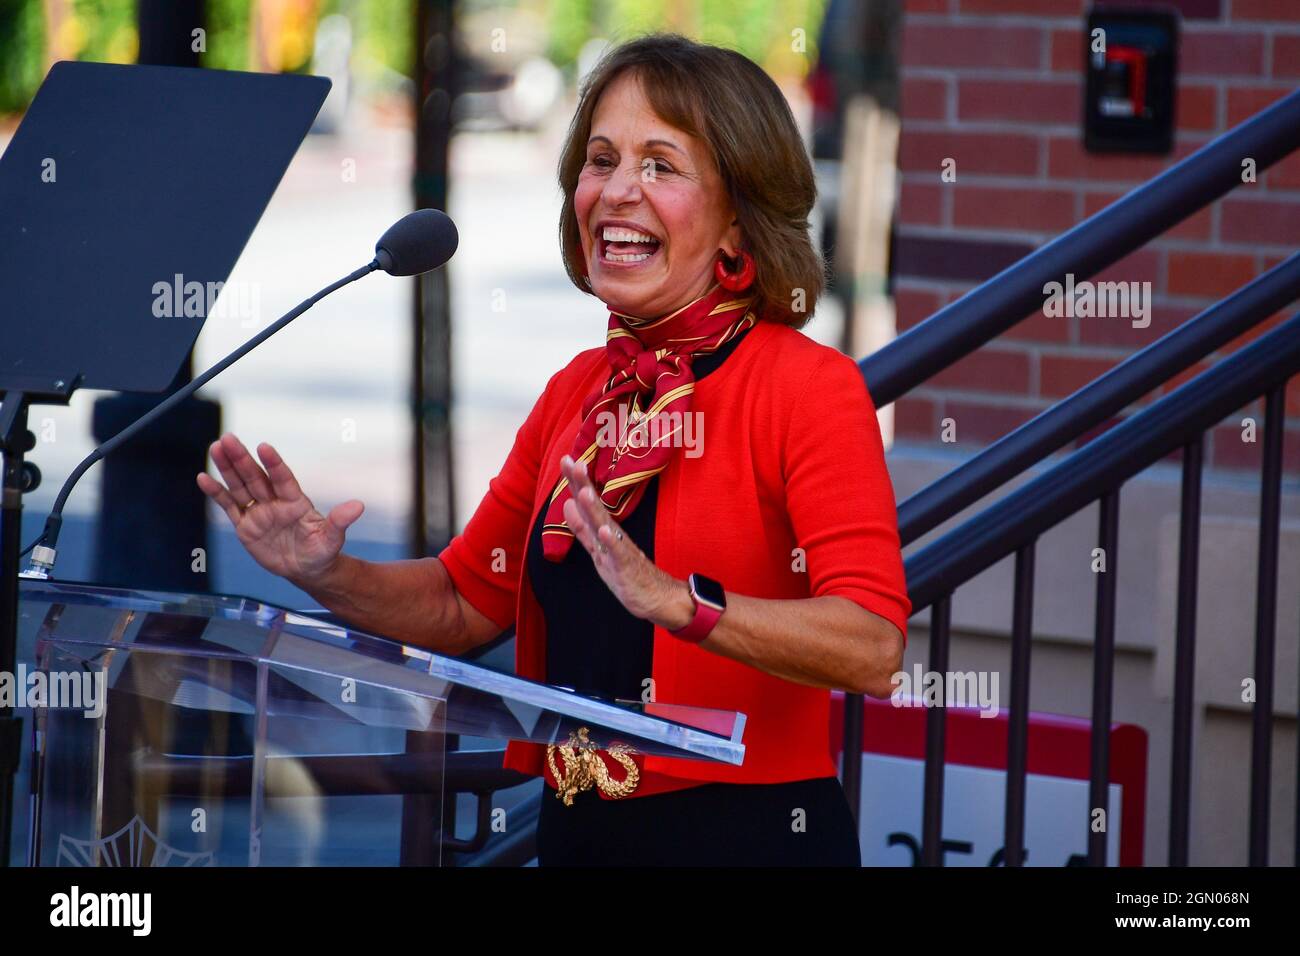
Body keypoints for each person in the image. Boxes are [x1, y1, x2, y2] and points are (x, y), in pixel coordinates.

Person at [197, 32, 910, 867]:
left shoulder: (804, 387)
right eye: (601, 160)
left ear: (736, 222)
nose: (616, 191)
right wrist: (320, 569)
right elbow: (463, 604)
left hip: (748, 837)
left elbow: (872, 645)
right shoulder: (579, 390)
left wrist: (683, 603)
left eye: (661, 165)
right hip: (580, 831)